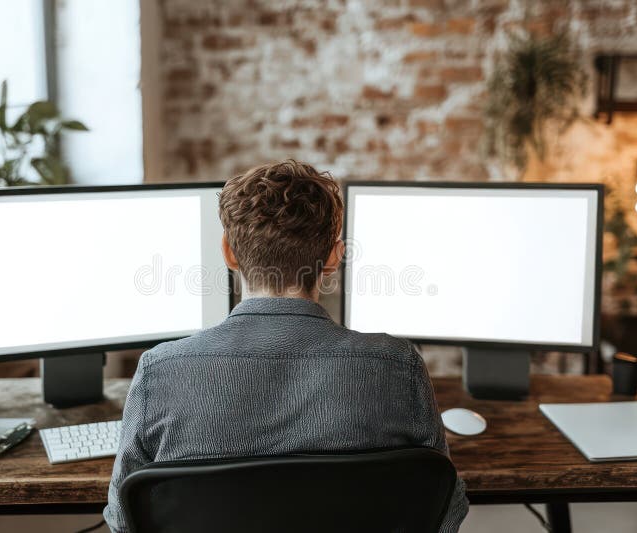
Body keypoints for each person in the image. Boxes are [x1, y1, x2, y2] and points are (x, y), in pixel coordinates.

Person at [104, 160, 468, 532]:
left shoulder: (160, 370)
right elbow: (443, 511)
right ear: (333, 258)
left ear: (228, 252)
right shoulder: (398, 366)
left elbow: (123, 519)